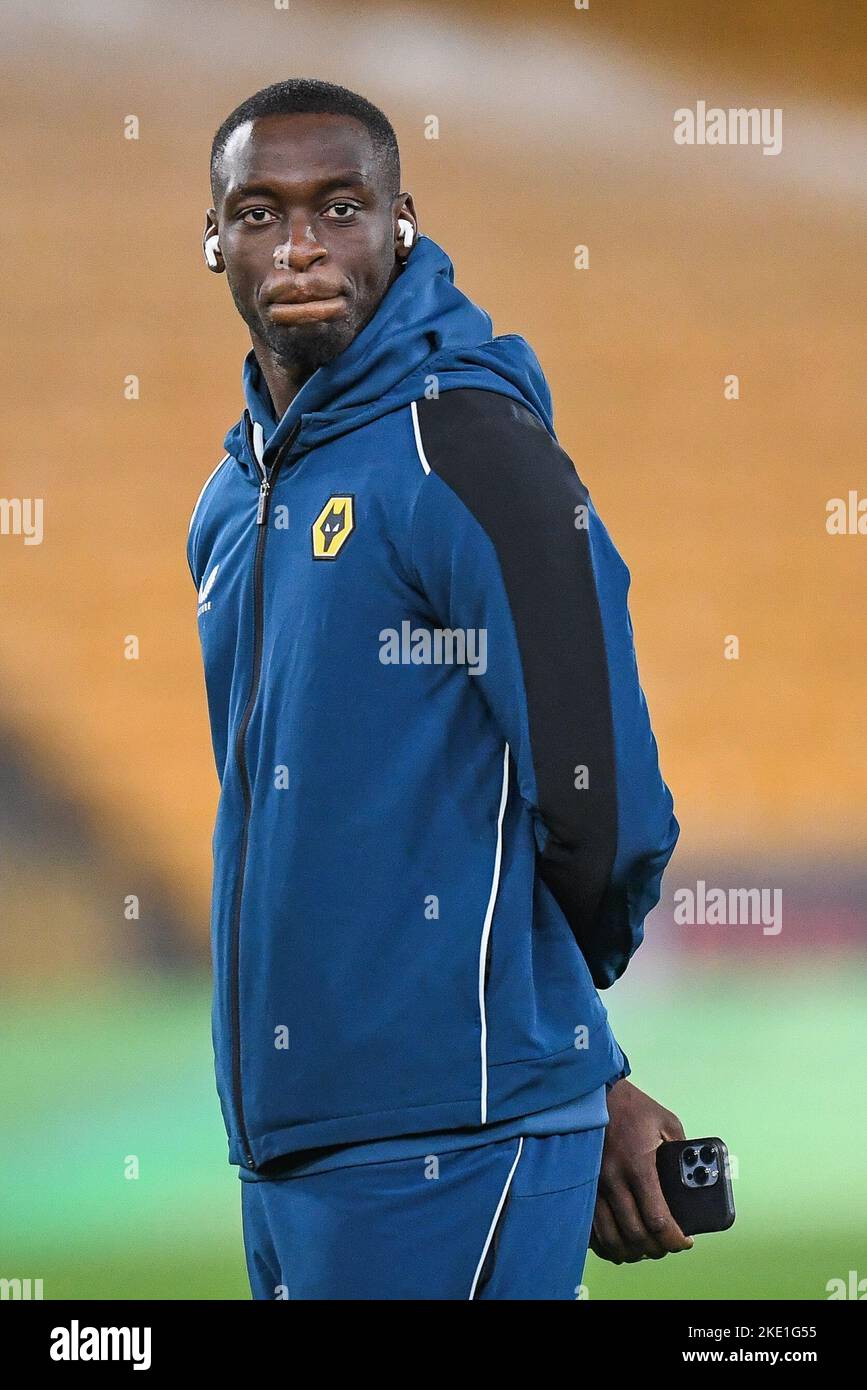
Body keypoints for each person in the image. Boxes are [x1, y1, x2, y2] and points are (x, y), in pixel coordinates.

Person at [188, 77, 688, 1300]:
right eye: (259, 213)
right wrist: (593, 1061)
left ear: (401, 222)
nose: (300, 244)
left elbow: (601, 798)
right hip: (288, 1144)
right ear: (213, 241)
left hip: (453, 1146)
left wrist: (559, 1055)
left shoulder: (465, 444)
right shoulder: (233, 500)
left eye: (339, 206)